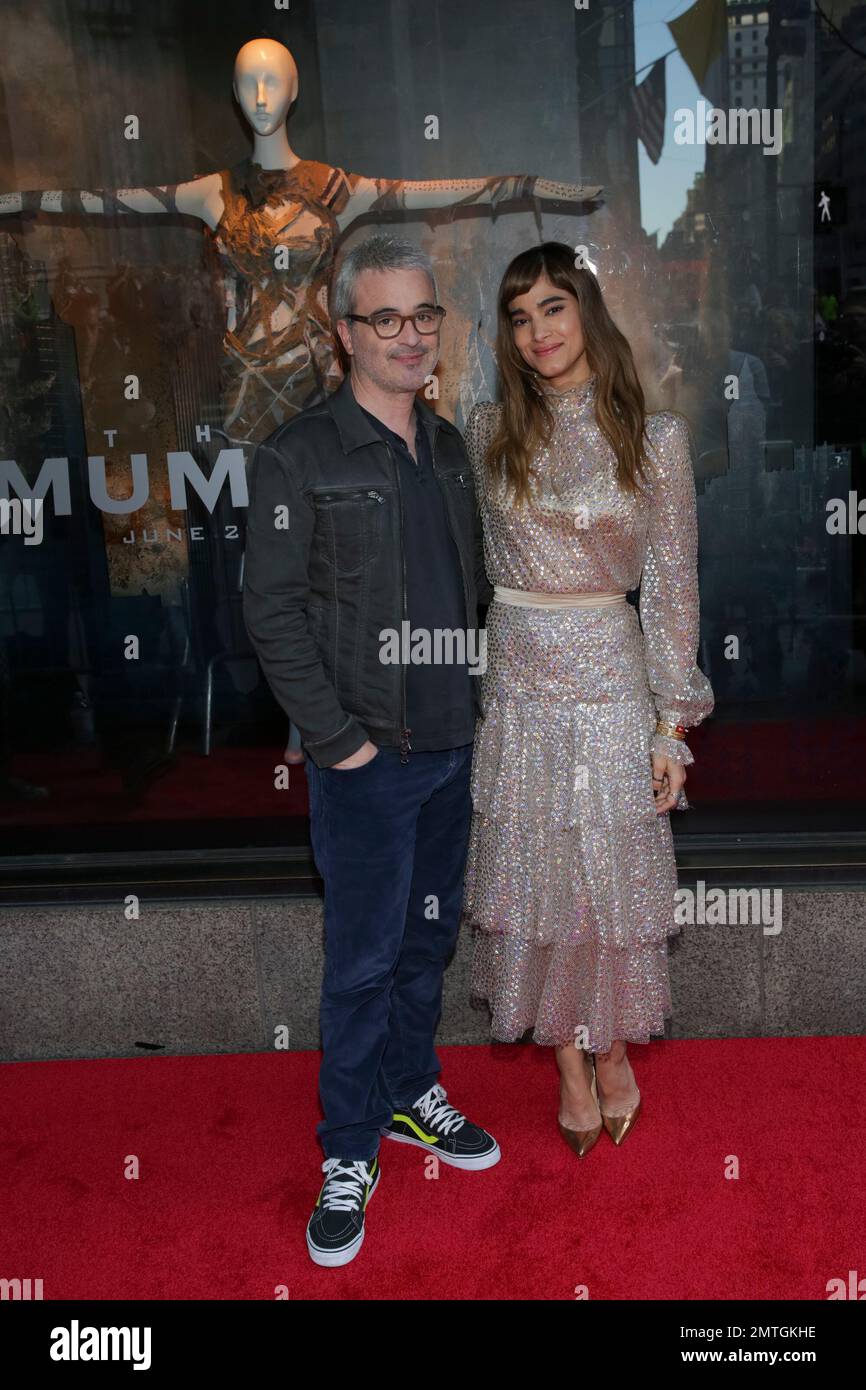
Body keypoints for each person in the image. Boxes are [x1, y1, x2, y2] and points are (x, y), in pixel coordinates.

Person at [242, 233, 500, 1269]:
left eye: (423, 315)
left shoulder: (444, 446)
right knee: (359, 963)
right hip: (368, 760)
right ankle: (345, 1148)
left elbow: (470, 588)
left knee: (427, 943)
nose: (408, 335)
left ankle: (407, 1091)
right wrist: (335, 743)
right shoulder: (295, 454)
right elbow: (272, 614)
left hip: (451, 745)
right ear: (343, 330)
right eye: (384, 318)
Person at [461, 242, 714, 1157]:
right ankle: (569, 1063)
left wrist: (670, 724)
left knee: (605, 886)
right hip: (522, 683)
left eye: (553, 309)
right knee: (533, 885)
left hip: (611, 674)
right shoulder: (488, 428)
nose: (538, 333)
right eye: (520, 318)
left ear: (589, 312)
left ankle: (610, 1052)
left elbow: (674, 584)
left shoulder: (655, 438)